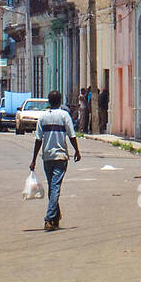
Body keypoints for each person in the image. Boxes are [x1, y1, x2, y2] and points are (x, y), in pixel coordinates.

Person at [29, 90, 81, 231]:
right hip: (60, 156)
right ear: (60, 101)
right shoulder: (64, 115)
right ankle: (49, 218)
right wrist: (77, 150)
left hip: (47, 157)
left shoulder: (43, 117)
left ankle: (55, 216)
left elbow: (38, 139)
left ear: (49, 101)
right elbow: (72, 135)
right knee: (55, 188)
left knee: (53, 187)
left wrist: (34, 159)